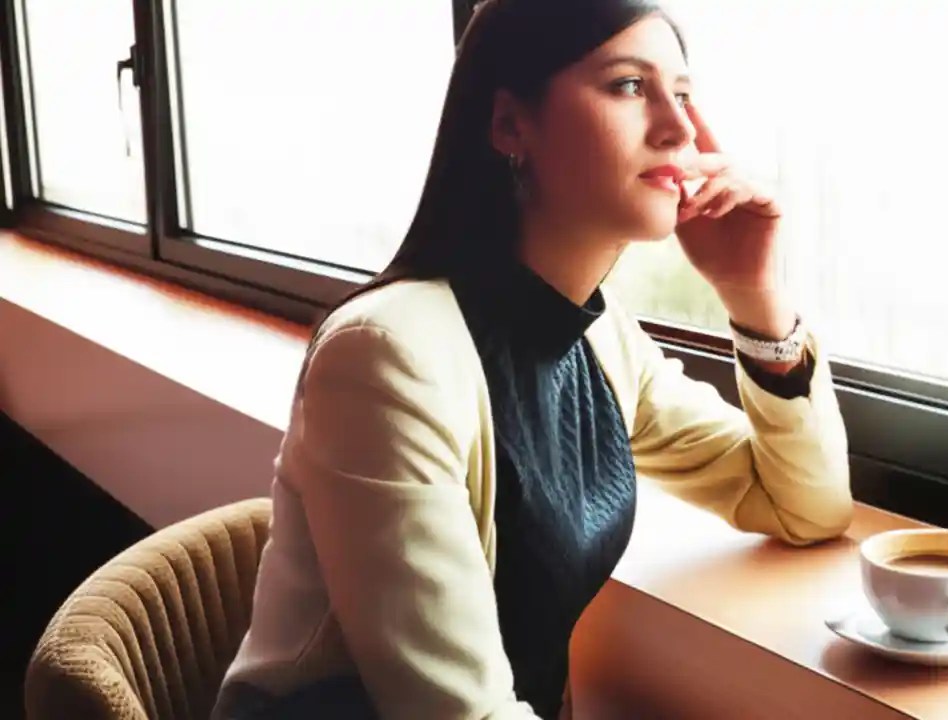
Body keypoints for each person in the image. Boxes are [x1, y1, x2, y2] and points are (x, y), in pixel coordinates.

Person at [212, 0, 853, 717]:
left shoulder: (600, 338)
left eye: (681, 93)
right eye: (629, 86)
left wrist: (752, 294)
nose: (679, 129)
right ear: (510, 125)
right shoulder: (387, 355)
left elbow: (804, 504)